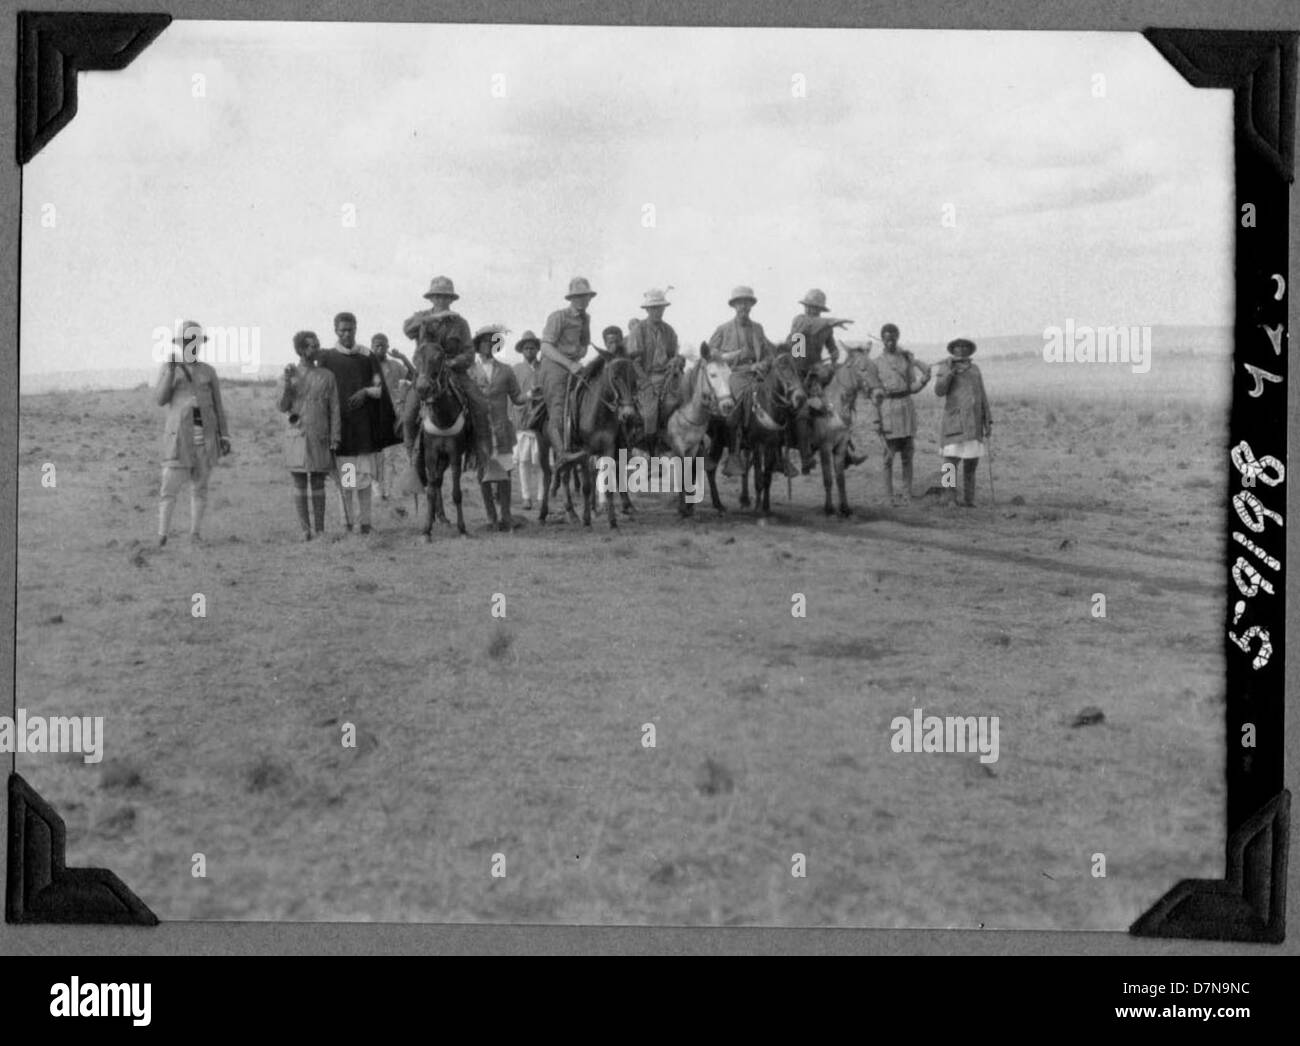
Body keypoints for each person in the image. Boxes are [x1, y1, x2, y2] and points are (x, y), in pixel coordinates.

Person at [316, 311, 401, 534]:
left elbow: (379, 387)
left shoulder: (367, 356)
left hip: (363, 427)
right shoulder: (327, 358)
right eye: (342, 330)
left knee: (364, 477)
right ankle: (347, 523)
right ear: (335, 330)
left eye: (350, 329)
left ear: (356, 329)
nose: (347, 334)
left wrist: (365, 391)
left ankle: (366, 524)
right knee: (347, 477)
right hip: (340, 427)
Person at [400, 275, 492, 470]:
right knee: (408, 415)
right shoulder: (422, 317)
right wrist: (432, 318)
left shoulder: (460, 323)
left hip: (454, 372)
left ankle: (481, 455)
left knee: (481, 405)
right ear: (431, 298)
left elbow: (468, 352)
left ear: (451, 299)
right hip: (425, 374)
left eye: (445, 297)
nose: (441, 300)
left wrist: (453, 362)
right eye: (437, 296)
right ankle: (412, 458)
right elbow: (407, 329)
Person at [154, 321, 231, 547]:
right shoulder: (170, 368)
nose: (192, 346)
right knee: (169, 488)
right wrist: (169, 371)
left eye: (196, 341)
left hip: (205, 439)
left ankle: (195, 534)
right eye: (188, 341)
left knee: (200, 488)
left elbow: (218, 406)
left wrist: (224, 436)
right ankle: (162, 535)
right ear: (180, 344)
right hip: (178, 439)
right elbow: (160, 399)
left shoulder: (208, 371)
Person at [278, 331, 341, 539]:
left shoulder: (327, 375)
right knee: (299, 482)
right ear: (300, 349)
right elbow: (282, 406)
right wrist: (288, 383)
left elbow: (335, 409)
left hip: (320, 434)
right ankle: (305, 530)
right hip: (296, 435)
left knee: (317, 482)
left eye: (316, 345)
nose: (314, 349)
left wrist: (335, 436)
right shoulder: (289, 373)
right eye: (310, 346)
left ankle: (320, 530)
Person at [707, 285, 775, 475]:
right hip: (734, 374)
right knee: (739, 401)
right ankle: (734, 452)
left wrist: (764, 363)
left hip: (758, 375)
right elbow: (712, 354)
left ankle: (777, 451)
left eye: (747, 303)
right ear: (734, 306)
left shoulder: (758, 328)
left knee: (777, 400)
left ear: (751, 306)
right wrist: (735, 355)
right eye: (740, 303)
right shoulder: (723, 329)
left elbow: (769, 352)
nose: (744, 307)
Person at [471, 325, 530, 531]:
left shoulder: (506, 370)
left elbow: (517, 397)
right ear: (478, 347)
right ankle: (490, 518)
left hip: (501, 429)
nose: (489, 345)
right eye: (484, 342)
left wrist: (531, 395)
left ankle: (506, 515)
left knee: (505, 472)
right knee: (483, 474)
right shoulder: (469, 371)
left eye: (492, 341)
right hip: (479, 431)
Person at [788, 289, 853, 474]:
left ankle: (845, 450)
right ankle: (805, 456)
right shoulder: (799, 322)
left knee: (835, 408)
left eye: (816, 309)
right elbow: (797, 354)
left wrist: (833, 359)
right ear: (805, 307)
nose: (812, 311)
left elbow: (832, 349)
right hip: (798, 375)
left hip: (816, 376)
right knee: (802, 410)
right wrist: (830, 321)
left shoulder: (825, 328)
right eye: (810, 307)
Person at [539, 277, 596, 466]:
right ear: (571, 298)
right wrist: (569, 363)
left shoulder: (586, 319)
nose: (582, 301)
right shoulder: (558, 317)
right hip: (554, 365)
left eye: (585, 297)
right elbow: (546, 346)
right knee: (559, 404)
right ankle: (561, 452)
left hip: (574, 364)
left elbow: (585, 344)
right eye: (578, 297)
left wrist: (579, 355)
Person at [873, 323, 931, 504]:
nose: (890, 342)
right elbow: (874, 394)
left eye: (893, 338)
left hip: (906, 409)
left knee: (907, 456)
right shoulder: (876, 363)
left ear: (897, 338)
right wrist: (876, 419)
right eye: (887, 338)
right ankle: (888, 496)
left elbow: (912, 387)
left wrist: (923, 380)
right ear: (882, 339)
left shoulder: (905, 360)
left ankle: (907, 494)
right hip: (887, 410)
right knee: (888, 458)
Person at [933, 337, 993, 508]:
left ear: (969, 350)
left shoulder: (975, 369)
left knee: (971, 463)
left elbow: (982, 395)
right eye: (958, 346)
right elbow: (939, 391)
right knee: (949, 463)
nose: (961, 349)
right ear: (953, 349)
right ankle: (949, 497)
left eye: (965, 346)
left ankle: (969, 500)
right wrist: (950, 372)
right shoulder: (945, 366)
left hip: (973, 423)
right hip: (954, 421)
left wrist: (987, 419)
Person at [626, 287, 682, 449]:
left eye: (660, 308)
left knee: (686, 398)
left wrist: (675, 360)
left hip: (668, 375)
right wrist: (646, 382)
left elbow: (674, 353)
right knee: (650, 412)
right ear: (648, 309)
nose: (658, 311)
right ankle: (649, 449)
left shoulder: (669, 331)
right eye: (654, 308)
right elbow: (634, 362)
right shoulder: (638, 330)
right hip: (645, 376)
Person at [370, 332, 413, 500]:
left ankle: (387, 493)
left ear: (388, 347)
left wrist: (403, 358)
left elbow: (413, 375)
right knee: (374, 456)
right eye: (377, 346)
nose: (380, 349)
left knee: (390, 456)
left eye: (383, 346)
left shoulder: (394, 366)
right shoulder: (366, 365)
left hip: (391, 416)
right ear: (372, 347)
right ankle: (376, 491)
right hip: (372, 416)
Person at [510, 331, 545, 510]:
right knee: (523, 461)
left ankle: (541, 496)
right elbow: (514, 396)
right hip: (523, 418)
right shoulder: (516, 370)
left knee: (541, 461)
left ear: (538, 349)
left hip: (542, 420)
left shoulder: (544, 367)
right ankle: (526, 497)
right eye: (526, 348)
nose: (530, 351)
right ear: (522, 351)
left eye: (532, 347)